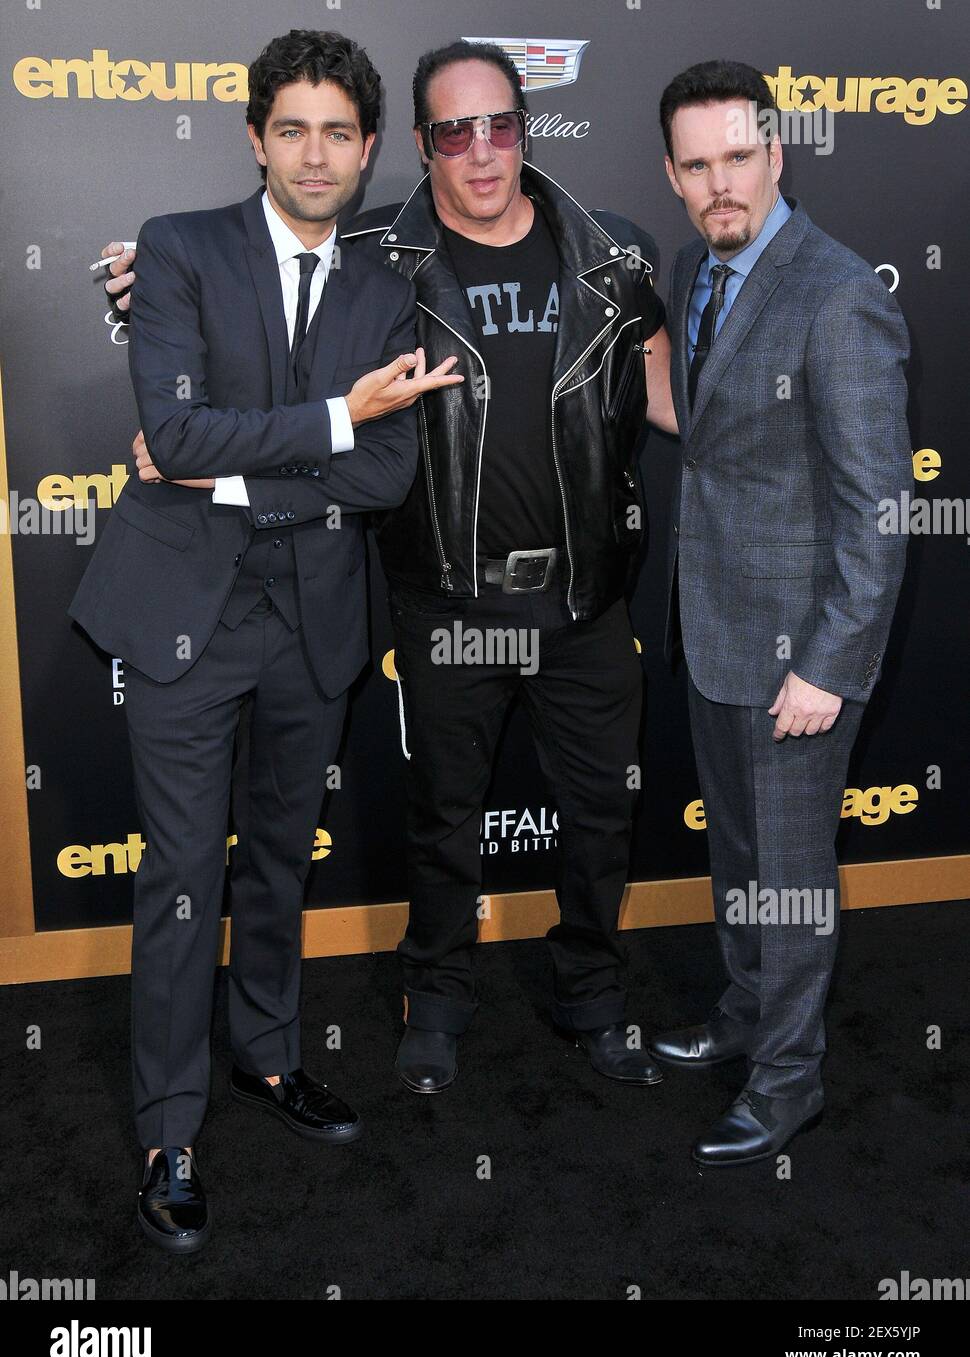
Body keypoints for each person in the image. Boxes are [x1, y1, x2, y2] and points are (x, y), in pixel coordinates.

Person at [104, 39, 678, 1100]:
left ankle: (593, 997)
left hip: (587, 601)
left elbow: (668, 398)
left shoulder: (617, 255)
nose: (480, 150)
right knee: (440, 816)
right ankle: (433, 1003)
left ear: (525, 127)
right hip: (448, 597)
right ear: (415, 146)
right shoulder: (386, 262)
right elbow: (262, 287)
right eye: (453, 131)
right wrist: (144, 288)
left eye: (499, 123)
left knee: (601, 819)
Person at [71, 28, 460, 1253]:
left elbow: (391, 472)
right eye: (289, 127)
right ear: (253, 138)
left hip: (315, 624)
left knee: (278, 861)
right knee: (183, 879)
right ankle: (168, 1130)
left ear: (370, 148)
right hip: (184, 614)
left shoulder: (393, 282)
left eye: (337, 131)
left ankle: (268, 1058)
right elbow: (177, 440)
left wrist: (245, 471)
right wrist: (333, 423)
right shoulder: (179, 249)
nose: (313, 153)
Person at [648, 60, 911, 1165]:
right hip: (713, 629)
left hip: (798, 652)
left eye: (740, 157)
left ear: (778, 152)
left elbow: (879, 504)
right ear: (672, 173)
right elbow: (711, 435)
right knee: (739, 853)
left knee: (792, 873)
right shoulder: (694, 269)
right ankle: (747, 1012)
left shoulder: (838, 291)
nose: (722, 185)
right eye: (698, 164)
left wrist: (828, 663)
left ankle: (790, 1079)